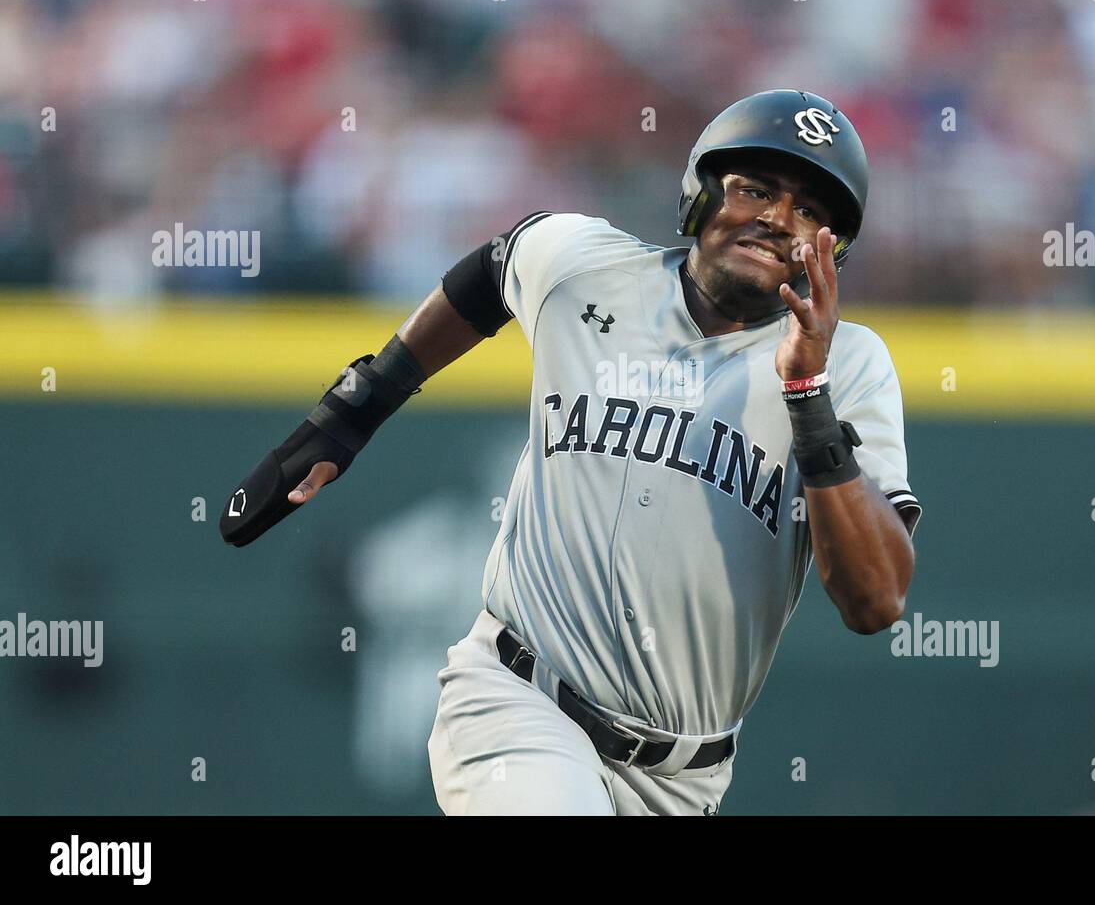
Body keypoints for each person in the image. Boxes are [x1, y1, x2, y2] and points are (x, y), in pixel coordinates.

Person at [220, 90, 922, 815]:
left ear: (832, 248)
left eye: (809, 209)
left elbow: (874, 599)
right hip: (519, 701)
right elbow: (496, 267)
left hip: (685, 777)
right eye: (754, 188)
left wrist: (808, 393)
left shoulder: (851, 366)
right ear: (700, 192)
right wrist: (356, 408)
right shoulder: (586, 266)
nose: (777, 219)